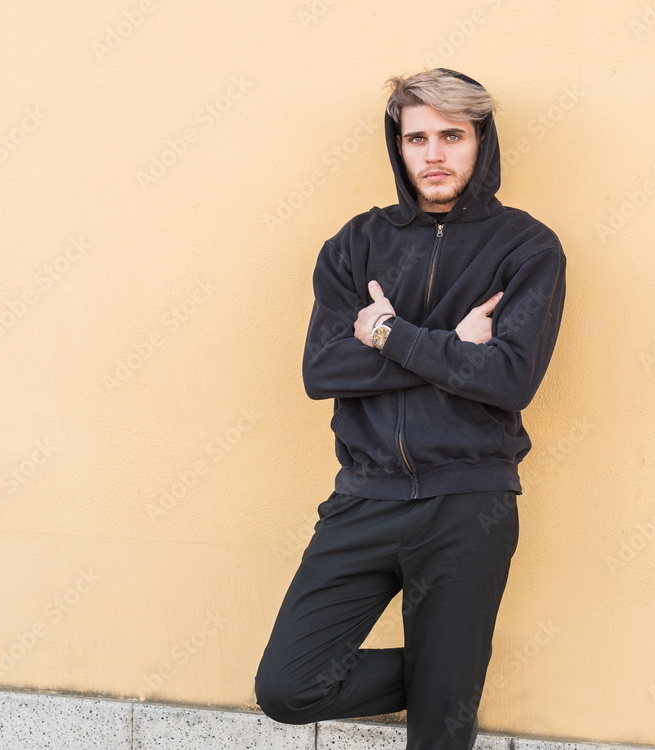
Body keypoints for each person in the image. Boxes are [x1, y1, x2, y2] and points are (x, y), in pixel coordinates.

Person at [254, 68, 567, 750]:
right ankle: (448, 673)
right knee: (288, 685)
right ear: (397, 146)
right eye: (416, 137)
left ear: (482, 143)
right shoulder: (355, 244)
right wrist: (454, 351)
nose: (433, 154)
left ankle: (448, 683)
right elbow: (323, 369)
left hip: (468, 502)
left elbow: (510, 377)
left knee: (438, 732)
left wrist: (392, 334)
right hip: (363, 499)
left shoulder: (527, 248)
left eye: (452, 136)